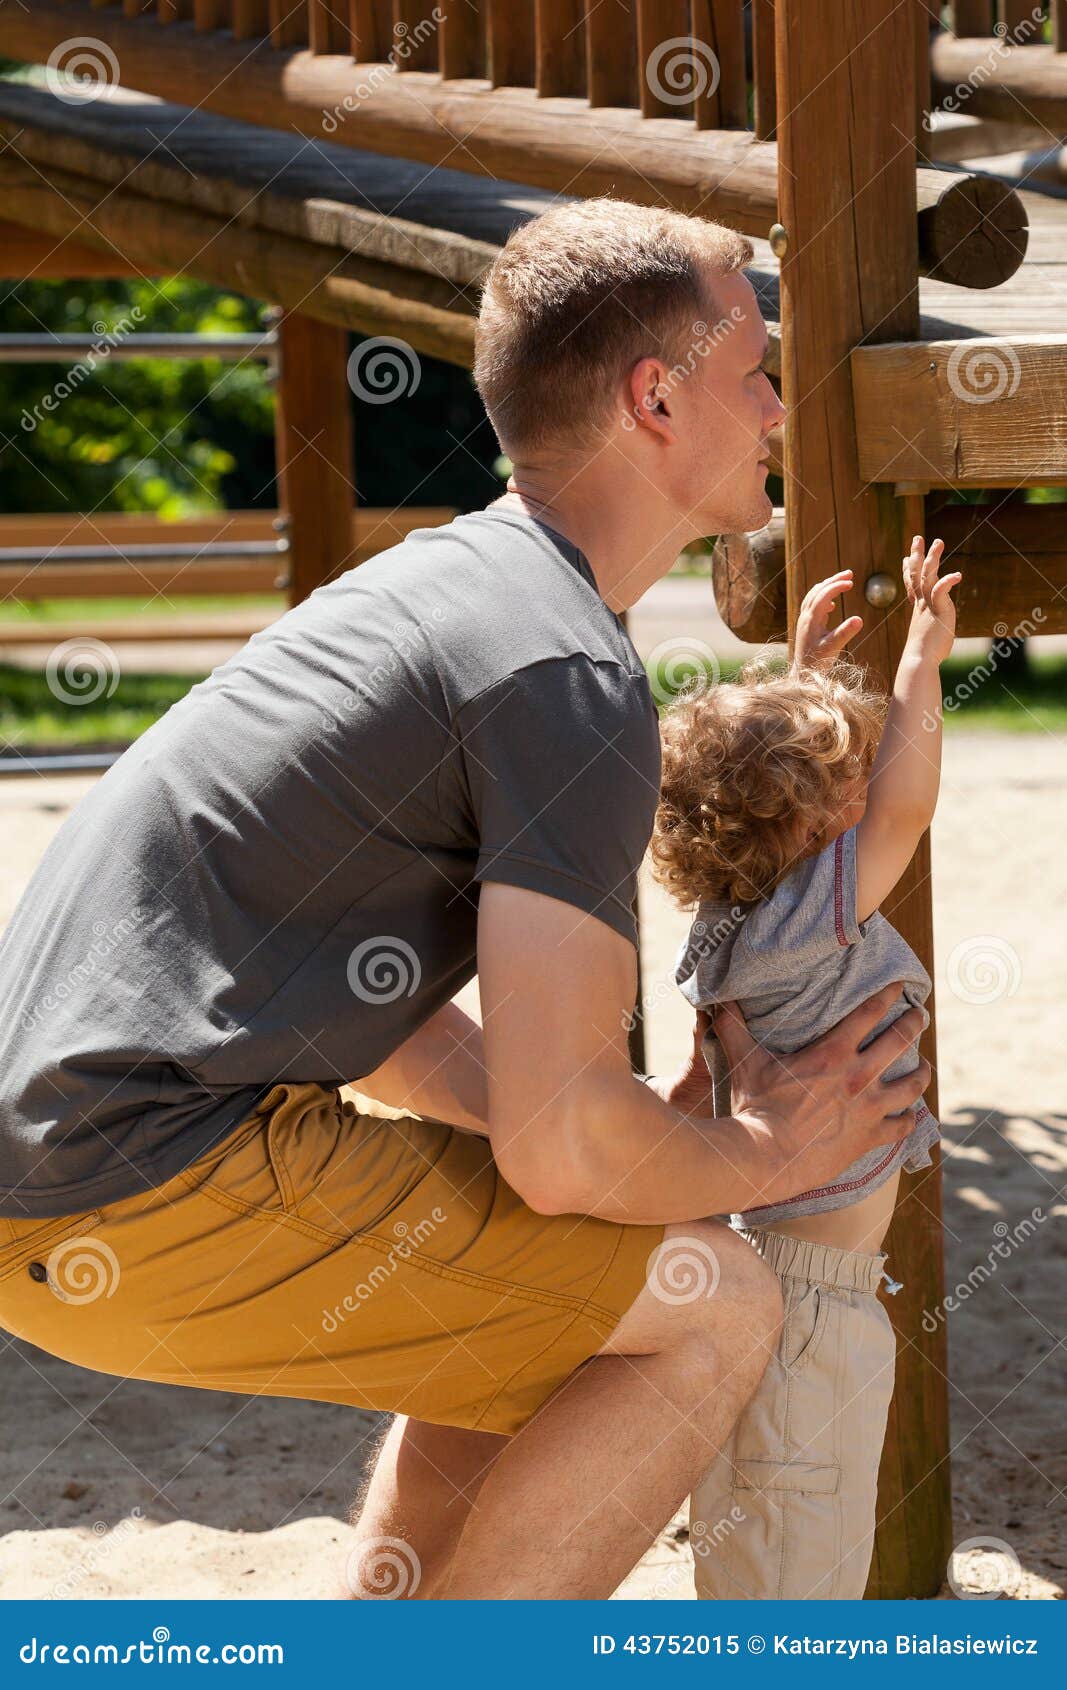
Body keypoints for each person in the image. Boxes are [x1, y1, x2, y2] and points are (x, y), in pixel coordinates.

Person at [0, 199, 930, 1601]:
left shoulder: (446, 594)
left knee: (582, 1272)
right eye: (753, 368)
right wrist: (760, 1151)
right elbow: (560, 1150)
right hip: (139, 1180)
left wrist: (634, 1142)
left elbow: (379, 1020)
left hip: (67, 1169)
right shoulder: (560, 675)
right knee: (707, 1304)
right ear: (654, 396)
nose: (776, 403)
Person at [653, 537, 959, 1598]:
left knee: (765, 1539)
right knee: (795, 1561)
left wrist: (792, 683)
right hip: (809, 1305)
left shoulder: (731, 918)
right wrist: (922, 657)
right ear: (800, 821)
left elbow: (773, 787)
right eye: (837, 783)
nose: (858, 795)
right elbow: (905, 807)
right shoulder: (801, 923)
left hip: (776, 1274)